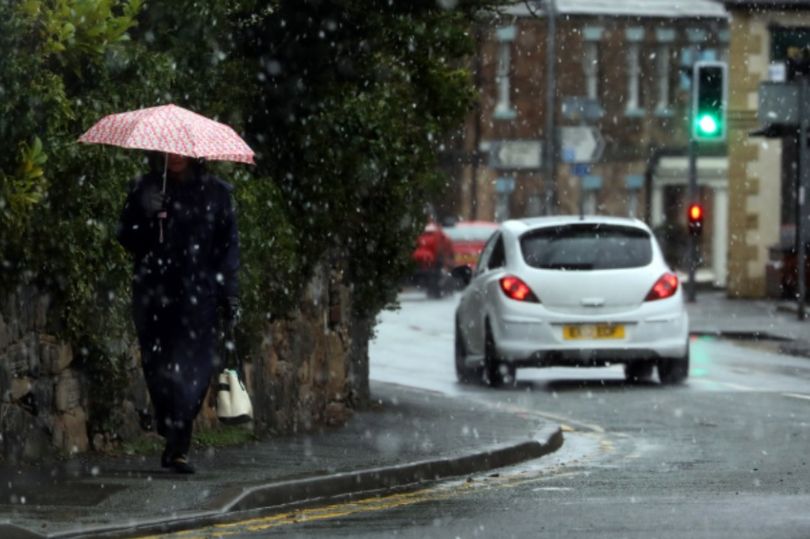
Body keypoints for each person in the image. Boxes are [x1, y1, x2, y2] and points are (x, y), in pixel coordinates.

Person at [117, 152, 240, 474]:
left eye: (182, 153)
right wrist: (145, 215)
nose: (175, 158)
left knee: (195, 372)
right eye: (168, 153)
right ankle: (171, 426)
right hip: (154, 293)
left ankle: (178, 442)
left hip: (199, 297)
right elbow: (127, 238)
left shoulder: (217, 194)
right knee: (157, 366)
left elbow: (227, 248)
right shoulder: (145, 188)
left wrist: (230, 293)